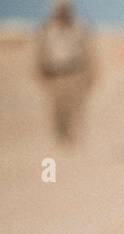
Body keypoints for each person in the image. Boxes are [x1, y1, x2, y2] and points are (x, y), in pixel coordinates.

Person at [34, 0, 96, 143]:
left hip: (76, 74)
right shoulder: (47, 28)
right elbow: (40, 52)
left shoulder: (80, 26)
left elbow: (90, 51)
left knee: (76, 107)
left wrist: (92, 73)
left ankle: (75, 139)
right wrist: (39, 72)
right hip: (55, 76)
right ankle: (60, 138)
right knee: (57, 108)